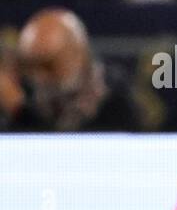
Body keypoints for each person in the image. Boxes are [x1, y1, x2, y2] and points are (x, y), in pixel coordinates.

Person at [8, 8, 140, 131]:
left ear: (78, 55)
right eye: (31, 66)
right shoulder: (25, 91)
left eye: (49, 65)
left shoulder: (115, 97)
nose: (39, 76)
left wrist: (21, 112)